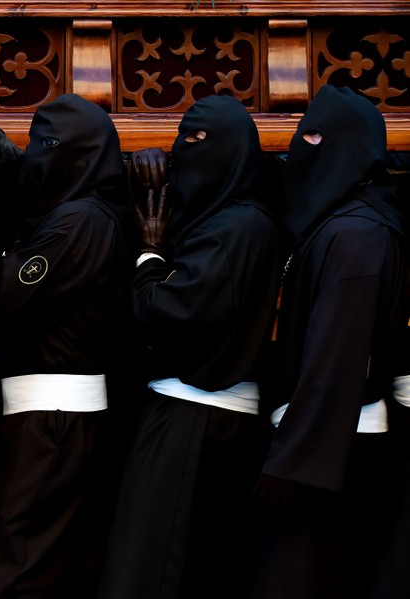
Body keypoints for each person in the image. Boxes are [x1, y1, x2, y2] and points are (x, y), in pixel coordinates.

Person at [97, 94, 283, 599]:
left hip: (188, 420)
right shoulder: (244, 220)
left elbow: (164, 313)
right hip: (228, 419)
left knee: (148, 568)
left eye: (197, 141)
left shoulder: (233, 230)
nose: (182, 152)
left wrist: (150, 254)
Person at [0, 93, 134, 598]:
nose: (34, 158)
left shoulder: (79, 219)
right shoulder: (88, 212)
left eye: (45, 146)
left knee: (14, 565)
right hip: (55, 417)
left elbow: (4, 298)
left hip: (51, 421)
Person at [250, 85, 406, 599]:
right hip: (326, 447)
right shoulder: (339, 225)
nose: (300, 148)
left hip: (333, 458)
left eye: (316, 137)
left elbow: (337, 361)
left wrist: (292, 467)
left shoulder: (357, 234)